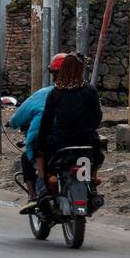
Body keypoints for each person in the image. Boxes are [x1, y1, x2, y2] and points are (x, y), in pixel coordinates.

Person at [35, 52, 104, 195]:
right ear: (80, 70)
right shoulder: (90, 91)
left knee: (40, 152)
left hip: (61, 142)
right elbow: (98, 117)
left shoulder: (55, 93)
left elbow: (46, 123)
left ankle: (46, 180)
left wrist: (40, 144)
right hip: (88, 141)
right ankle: (93, 176)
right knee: (97, 154)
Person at [9, 53, 64, 212]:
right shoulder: (88, 91)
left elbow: (43, 121)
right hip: (83, 139)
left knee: (30, 154)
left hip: (54, 141)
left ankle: (35, 193)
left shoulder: (49, 94)